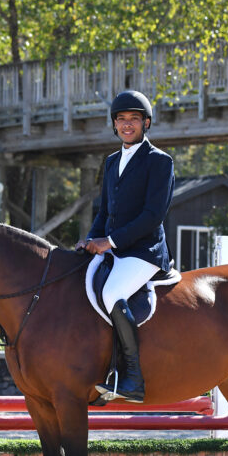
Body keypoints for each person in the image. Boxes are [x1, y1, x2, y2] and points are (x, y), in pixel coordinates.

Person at [75, 90, 174, 404]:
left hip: (145, 251)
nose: (127, 125)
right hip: (114, 247)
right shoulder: (112, 161)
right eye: (121, 119)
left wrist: (110, 242)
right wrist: (90, 241)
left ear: (146, 123)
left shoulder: (159, 161)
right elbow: (105, 212)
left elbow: (153, 215)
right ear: (114, 124)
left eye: (133, 119)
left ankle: (131, 377)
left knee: (111, 293)